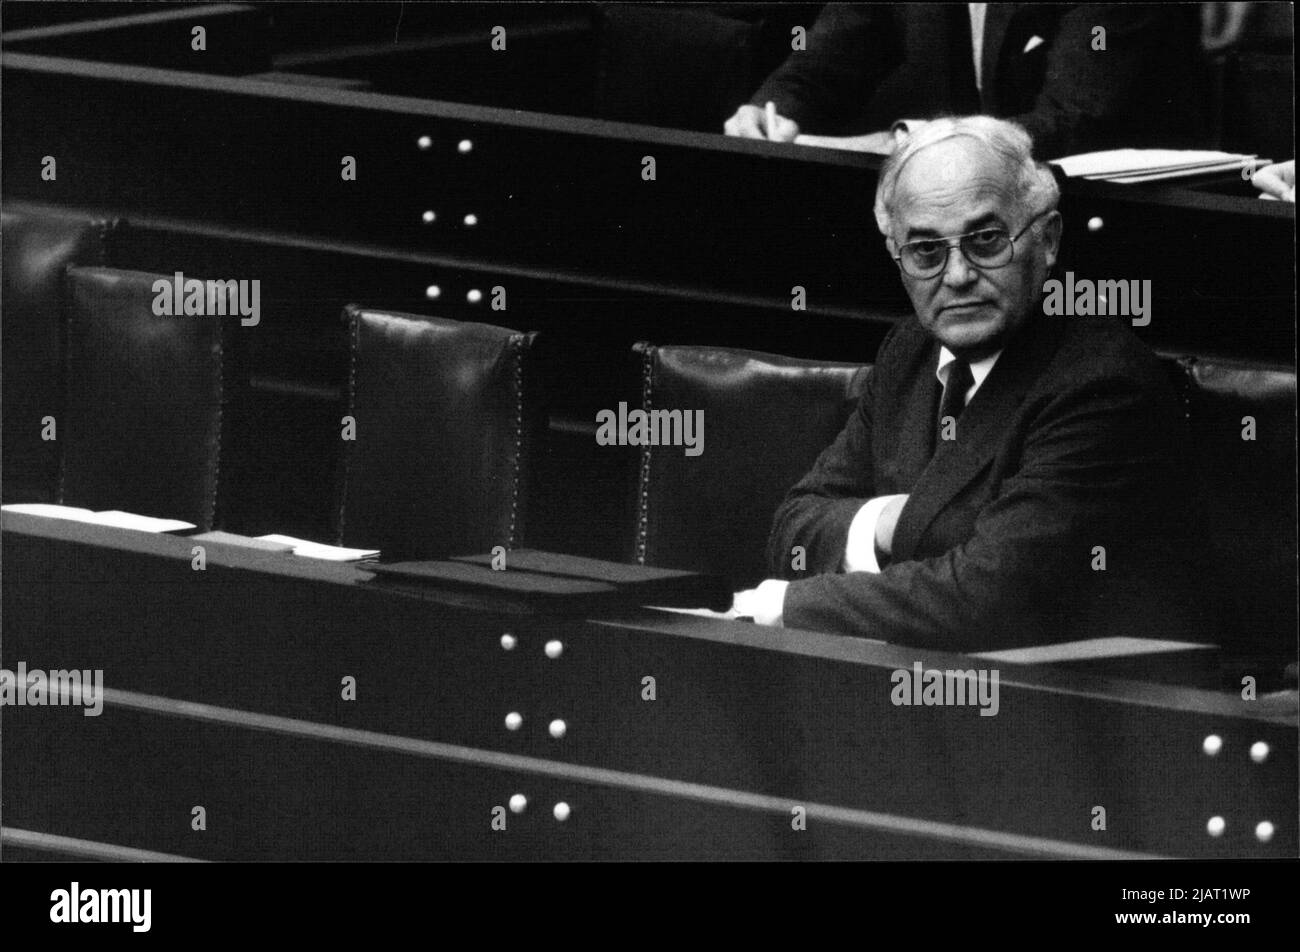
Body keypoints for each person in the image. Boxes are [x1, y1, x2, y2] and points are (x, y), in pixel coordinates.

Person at [733, 116, 1204, 651]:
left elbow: (990, 597)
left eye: (984, 240)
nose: (956, 275)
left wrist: (784, 605)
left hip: (1080, 704)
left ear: (1047, 240)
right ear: (898, 258)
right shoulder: (910, 350)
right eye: (927, 251)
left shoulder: (1102, 384)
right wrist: (899, 520)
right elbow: (795, 529)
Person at [724, 4, 1207, 159]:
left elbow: (1074, 122)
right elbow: (819, 67)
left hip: (1111, 238)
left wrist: (919, 143)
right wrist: (772, 112)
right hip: (976, 229)